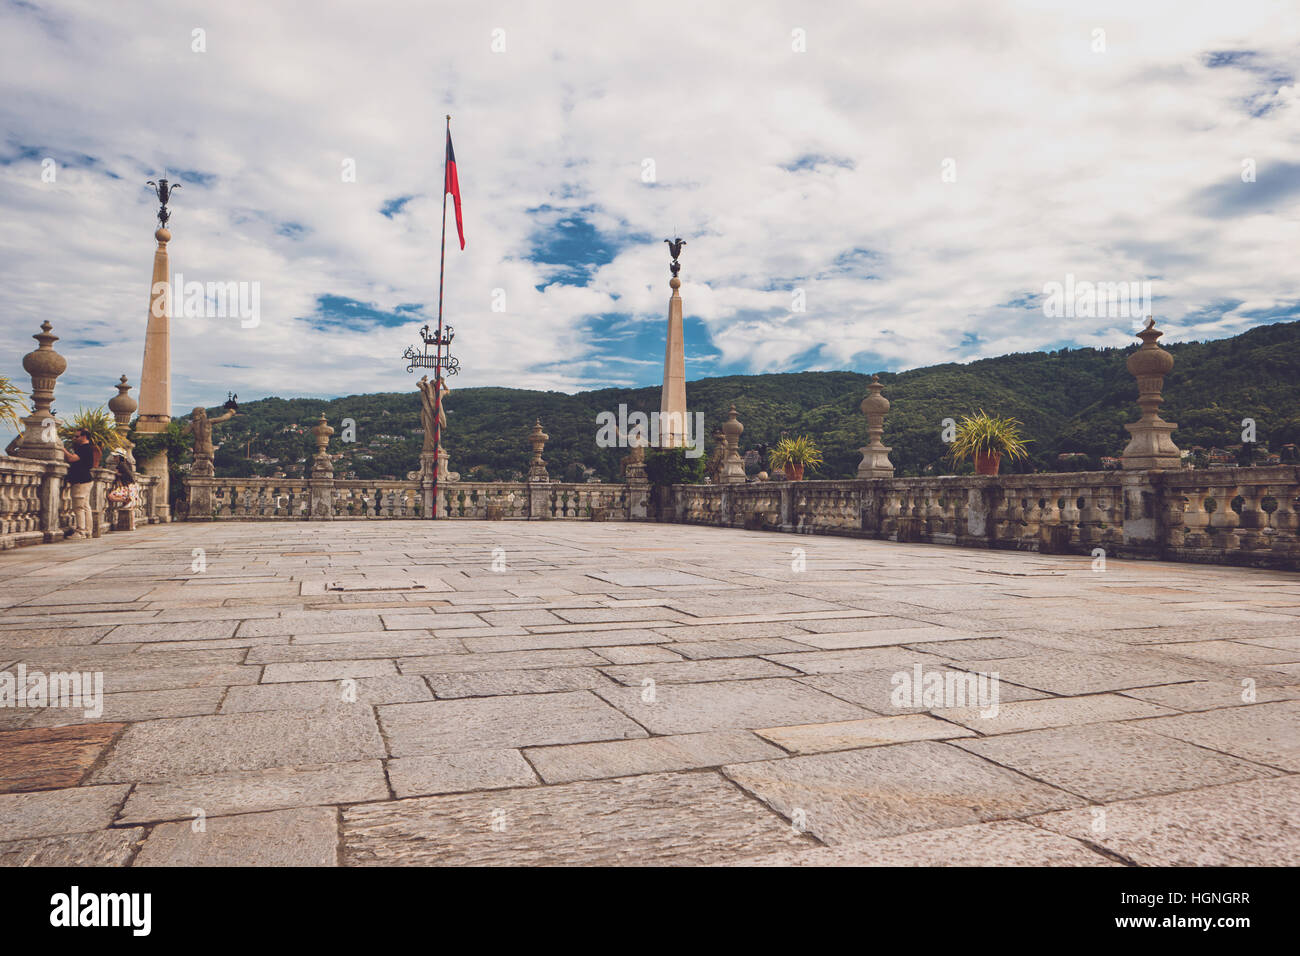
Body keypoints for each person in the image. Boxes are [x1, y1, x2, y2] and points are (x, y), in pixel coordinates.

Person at [62, 428, 101, 538]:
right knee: (85, 506)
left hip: (81, 481)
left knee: (79, 507)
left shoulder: (84, 448)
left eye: (77, 436)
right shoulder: (87, 448)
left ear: (84, 437)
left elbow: (71, 458)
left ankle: (80, 531)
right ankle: (88, 530)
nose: (75, 438)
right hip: (86, 480)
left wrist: (62, 449)